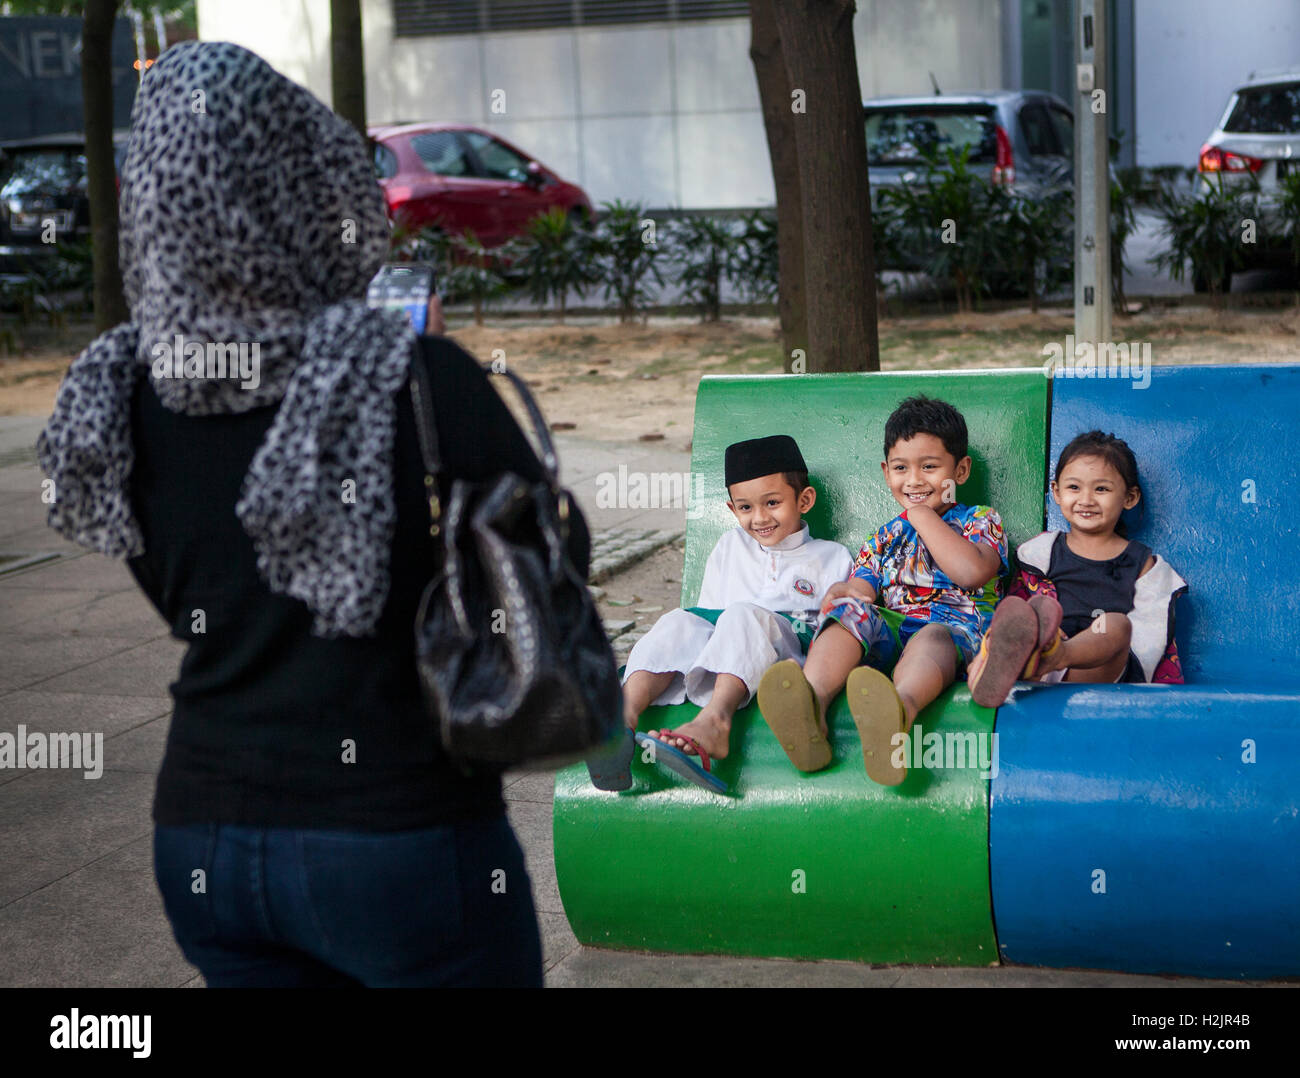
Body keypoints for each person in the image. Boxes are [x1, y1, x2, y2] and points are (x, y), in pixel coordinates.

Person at [35, 41, 575, 987]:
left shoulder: (114, 393)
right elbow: (549, 562)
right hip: (402, 842)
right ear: (301, 184)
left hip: (204, 841)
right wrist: (437, 385)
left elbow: (187, 598)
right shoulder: (411, 375)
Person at [757, 396, 1007, 785]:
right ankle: (811, 704)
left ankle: (898, 713)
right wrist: (845, 591)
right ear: (885, 471)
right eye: (901, 468)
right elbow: (864, 587)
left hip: (954, 634)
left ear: (960, 470)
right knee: (849, 614)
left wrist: (922, 516)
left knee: (932, 636)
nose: (914, 480)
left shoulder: (980, 520)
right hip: (889, 631)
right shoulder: (884, 536)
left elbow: (972, 572)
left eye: (929, 467)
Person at [621, 435, 853, 774]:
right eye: (745, 507)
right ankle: (622, 718)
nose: (759, 518)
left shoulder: (833, 557)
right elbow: (705, 618)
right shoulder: (730, 546)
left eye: (772, 503)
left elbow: (832, 633)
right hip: (725, 647)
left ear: (804, 500)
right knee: (678, 621)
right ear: (732, 509)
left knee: (743, 615)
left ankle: (715, 721)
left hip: (786, 658)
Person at [967, 431, 1187, 707]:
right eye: (1074, 488)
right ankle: (998, 667)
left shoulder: (1141, 562)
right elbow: (1016, 616)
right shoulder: (1042, 554)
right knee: (1030, 614)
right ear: (1056, 492)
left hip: (1100, 669)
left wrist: (1064, 652)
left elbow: (1151, 634)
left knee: (1115, 625)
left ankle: (1056, 655)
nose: (1086, 499)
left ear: (1129, 497)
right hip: (1044, 660)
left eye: (1101, 489)